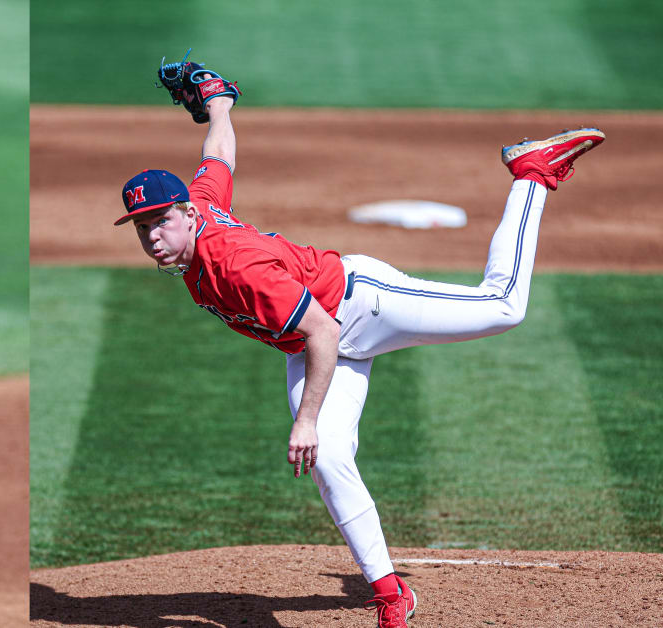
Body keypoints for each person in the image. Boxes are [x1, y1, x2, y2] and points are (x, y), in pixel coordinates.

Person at [116, 72, 602, 628]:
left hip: (362, 305)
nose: (152, 236)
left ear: (185, 215)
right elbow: (217, 155)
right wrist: (218, 102)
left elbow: (322, 330)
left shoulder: (233, 264)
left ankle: (532, 174)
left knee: (504, 307)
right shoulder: (199, 209)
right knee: (330, 458)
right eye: (141, 228)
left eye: (159, 222)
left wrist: (307, 419)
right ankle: (391, 593)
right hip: (317, 339)